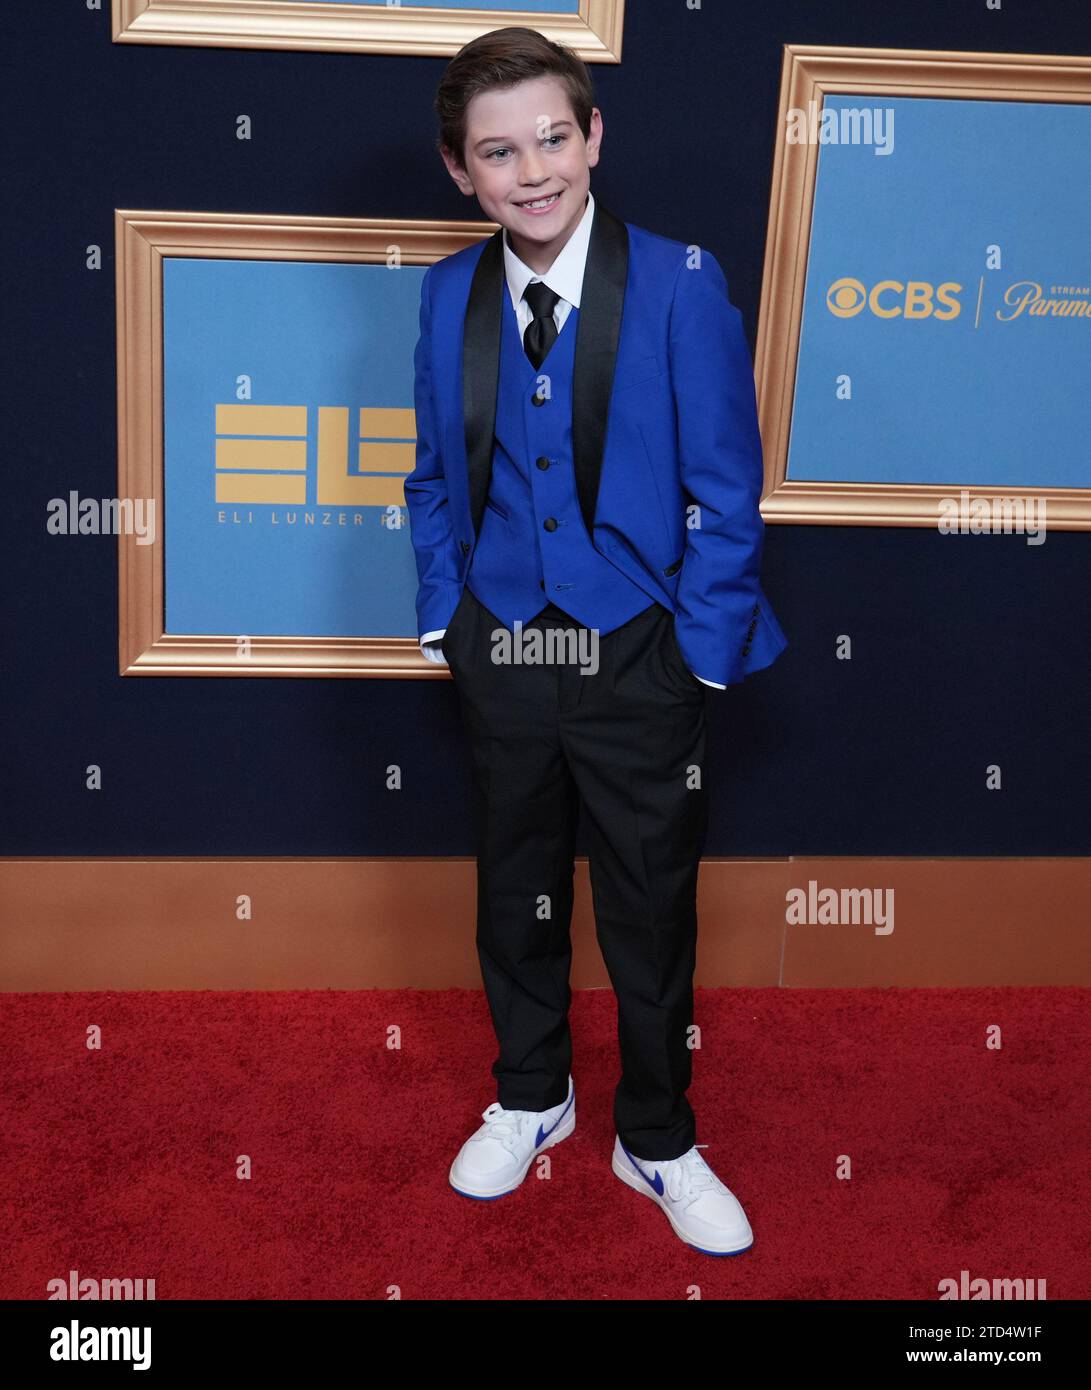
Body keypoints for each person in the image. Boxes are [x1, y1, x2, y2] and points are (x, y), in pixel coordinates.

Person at [404, 26, 787, 1256]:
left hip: (638, 652)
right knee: (512, 890)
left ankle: (656, 1135)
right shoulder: (443, 292)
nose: (531, 171)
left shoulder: (678, 281)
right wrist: (444, 619)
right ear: (461, 171)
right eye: (497, 151)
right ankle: (532, 1096)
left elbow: (728, 490)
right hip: (501, 648)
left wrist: (698, 659)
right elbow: (427, 477)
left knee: (646, 904)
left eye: (552, 139)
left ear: (593, 138)